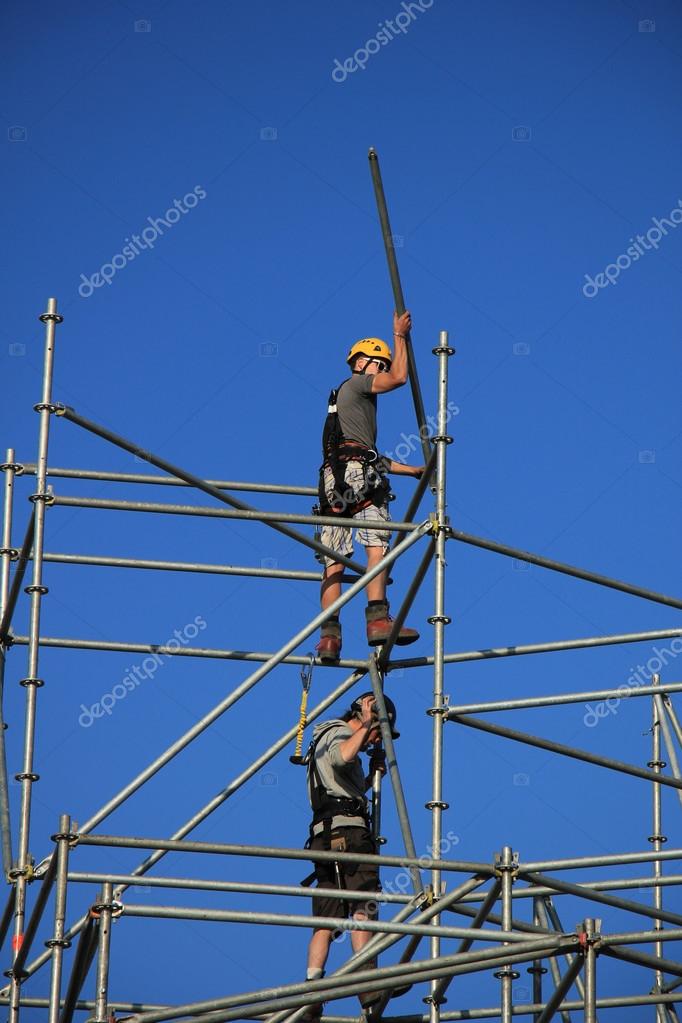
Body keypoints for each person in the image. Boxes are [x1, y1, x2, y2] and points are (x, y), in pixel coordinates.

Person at [316, 310, 425, 663]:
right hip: (358, 474)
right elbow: (399, 378)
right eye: (377, 363)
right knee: (376, 545)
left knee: (334, 562)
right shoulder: (358, 384)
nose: (380, 369)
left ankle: (329, 638)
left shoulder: (345, 405)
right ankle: (378, 619)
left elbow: (371, 457)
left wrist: (413, 471)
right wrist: (400, 337)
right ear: (361, 362)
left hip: (334, 481)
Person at [303, 692, 398, 1020]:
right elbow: (342, 757)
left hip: (326, 838)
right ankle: (366, 983)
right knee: (362, 906)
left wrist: (372, 775)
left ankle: (312, 990)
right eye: (376, 732)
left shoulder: (327, 737)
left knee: (326, 919)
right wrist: (368, 722)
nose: (374, 740)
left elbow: (341, 787)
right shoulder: (341, 733)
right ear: (364, 713)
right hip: (350, 836)